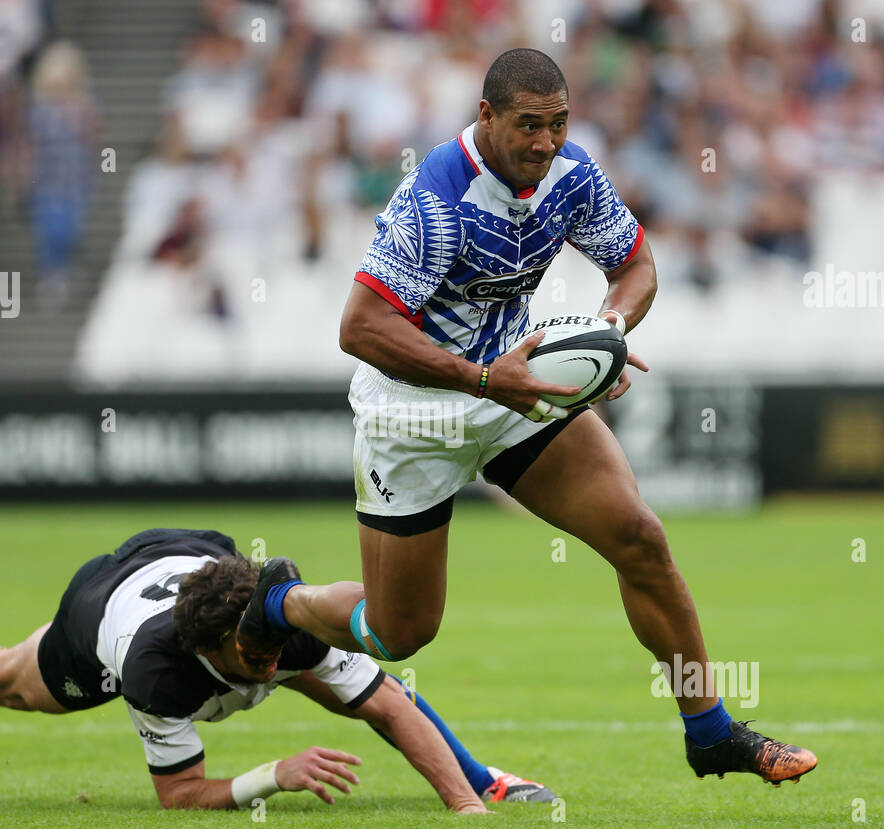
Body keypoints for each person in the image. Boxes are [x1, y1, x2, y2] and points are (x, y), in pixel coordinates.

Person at [237, 49, 817, 787]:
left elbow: (637, 266)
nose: (546, 142)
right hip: (414, 413)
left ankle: (710, 732)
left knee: (639, 537)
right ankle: (283, 601)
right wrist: (482, 377)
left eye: (559, 123)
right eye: (529, 125)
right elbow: (361, 328)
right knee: (398, 633)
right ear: (487, 117)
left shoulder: (572, 176)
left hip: (517, 385)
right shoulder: (434, 202)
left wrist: (608, 333)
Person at [0, 528, 552, 811]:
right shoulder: (156, 672)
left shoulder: (281, 634)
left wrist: (465, 809)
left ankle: (485, 779)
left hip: (193, 556)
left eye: (272, 647)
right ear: (207, 652)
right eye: (253, 658)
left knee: (361, 693)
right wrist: (271, 777)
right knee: (13, 684)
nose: (272, 663)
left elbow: (389, 704)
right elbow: (180, 794)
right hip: (103, 604)